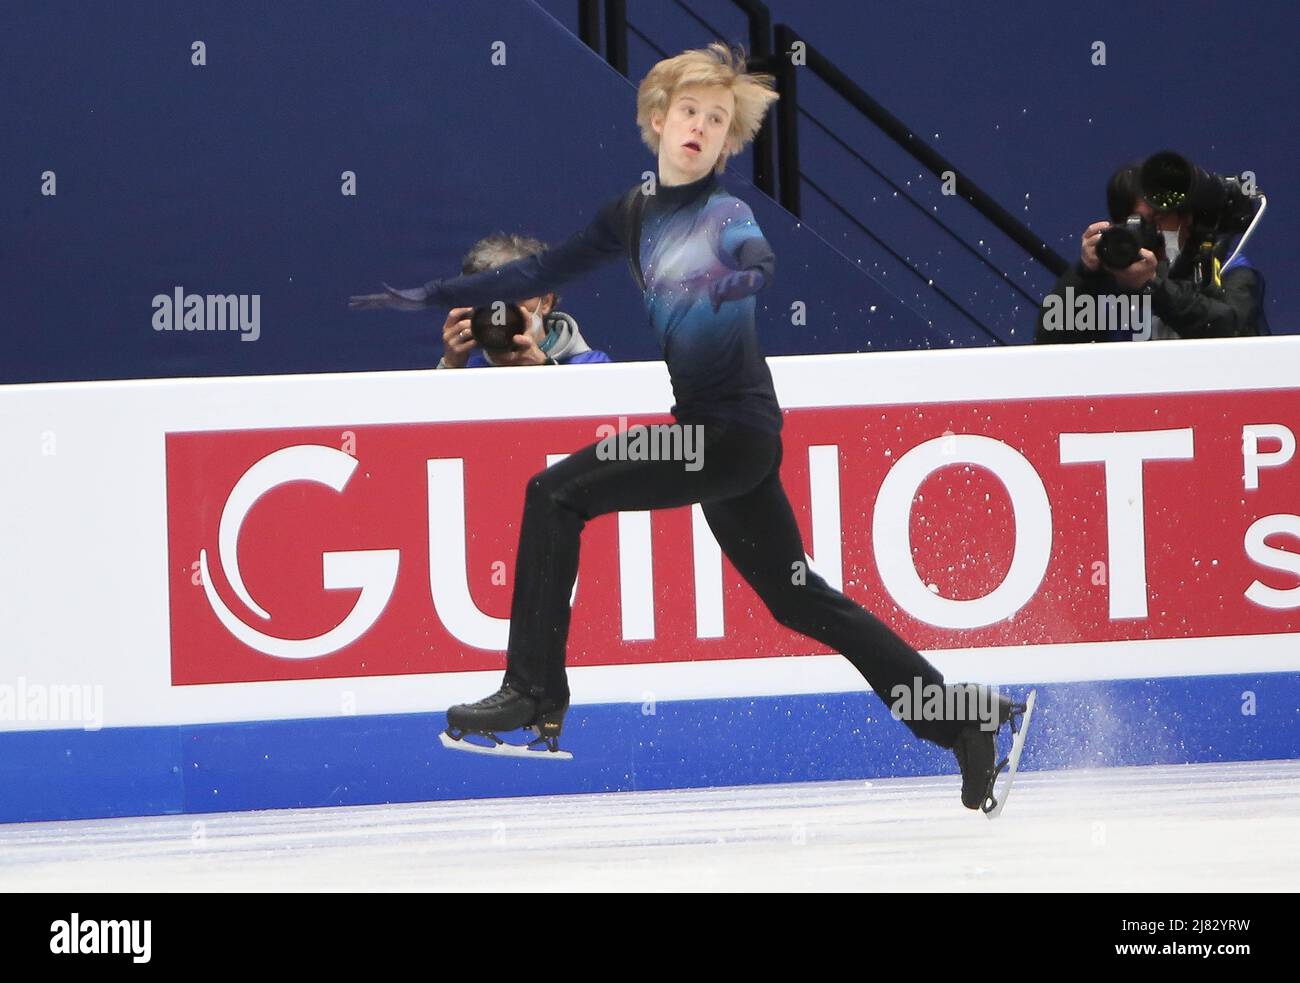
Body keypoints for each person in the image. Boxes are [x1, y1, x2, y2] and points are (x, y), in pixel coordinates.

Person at [351, 42, 1024, 810]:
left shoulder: (723, 214)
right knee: (800, 598)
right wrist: (436, 293)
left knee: (554, 494)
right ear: (658, 120)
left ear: (726, 138)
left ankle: (532, 691)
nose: (700, 126)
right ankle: (958, 717)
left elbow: (753, 262)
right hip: (722, 437)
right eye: (689, 112)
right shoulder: (631, 214)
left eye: (716, 118)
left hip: (723, 434)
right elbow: (540, 273)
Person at [1036, 158, 1266, 343]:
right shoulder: (1108, 275)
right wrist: (1085, 275)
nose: (1152, 232)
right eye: (1138, 222)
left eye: (1160, 218)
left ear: (1186, 218)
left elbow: (1233, 332)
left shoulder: (1229, 268)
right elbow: (1049, 346)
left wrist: (1153, 285)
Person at [436, 233, 610, 368]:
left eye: (513, 297)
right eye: (489, 301)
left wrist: (544, 369)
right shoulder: (466, 372)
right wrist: (450, 367)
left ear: (546, 302)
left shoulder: (591, 367)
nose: (500, 313)